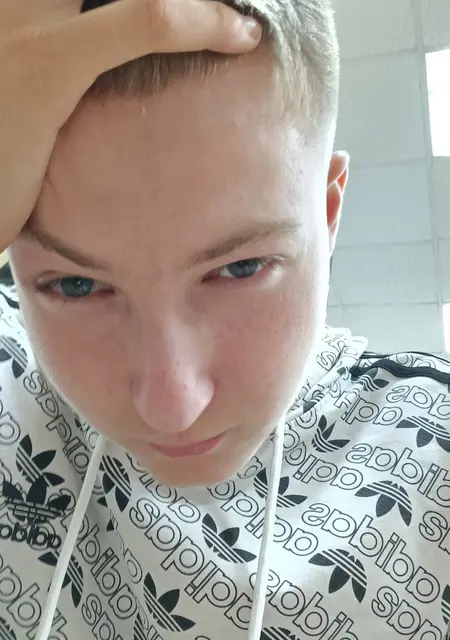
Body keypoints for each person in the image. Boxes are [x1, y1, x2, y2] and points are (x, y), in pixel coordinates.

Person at [0, 0, 449, 637]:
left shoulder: (432, 455)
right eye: (77, 285)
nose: (172, 406)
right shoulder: (13, 390)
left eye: (240, 268)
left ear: (327, 215)